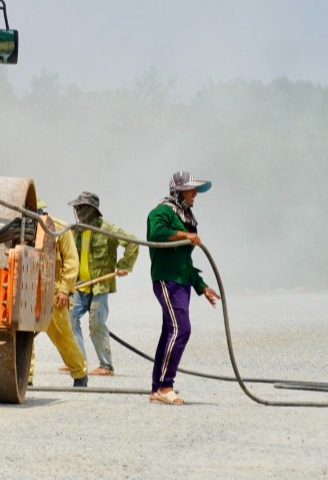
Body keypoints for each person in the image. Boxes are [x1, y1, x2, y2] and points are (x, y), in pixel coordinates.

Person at [146, 171, 221, 405]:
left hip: (181, 281)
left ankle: (158, 388)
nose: (195, 194)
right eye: (191, 190)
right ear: (178, 191)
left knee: (169, 331)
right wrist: (185, 235)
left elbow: (185, 262)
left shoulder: (186, 216)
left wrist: (202, 287)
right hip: (166, 280)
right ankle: (166, 385)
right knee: (181, 329)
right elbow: (156, 233)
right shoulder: (162, 211)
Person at [66, 192, 138, 377]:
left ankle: (106, 366)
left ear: (91, 210)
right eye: (76, 208)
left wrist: (124, 266)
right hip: (80, 286)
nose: (77, 211)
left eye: (81, 208)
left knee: (97, 323)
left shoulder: (107, 228)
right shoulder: (76, 230)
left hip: (99, 286)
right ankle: (77, 361)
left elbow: (132, 242)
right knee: (69, 319)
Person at [30, 203, 89, 387]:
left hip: (54, 292)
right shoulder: (24, 226)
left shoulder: (59, 228)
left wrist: (65, 289)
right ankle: (27, 377)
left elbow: (71, 260)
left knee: (63, 336)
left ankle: (80, 373)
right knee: (24, 337)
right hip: (29, 289)